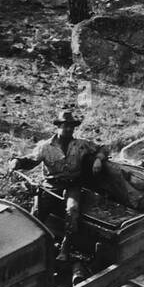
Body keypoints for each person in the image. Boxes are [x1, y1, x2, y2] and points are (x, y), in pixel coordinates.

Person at [10, 109, 106, 259]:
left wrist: (99, 159)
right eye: (64, 125)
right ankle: (25, 247)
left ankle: (65, 248)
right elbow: (31, 160)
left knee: (72, 209)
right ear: (58, 126)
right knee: (36, 214)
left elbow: (102, 148)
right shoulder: (45, 146)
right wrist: (17, 162)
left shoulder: (81, 145)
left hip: (72, 186)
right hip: (51, 186)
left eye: (71, 126)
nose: (68, 129)